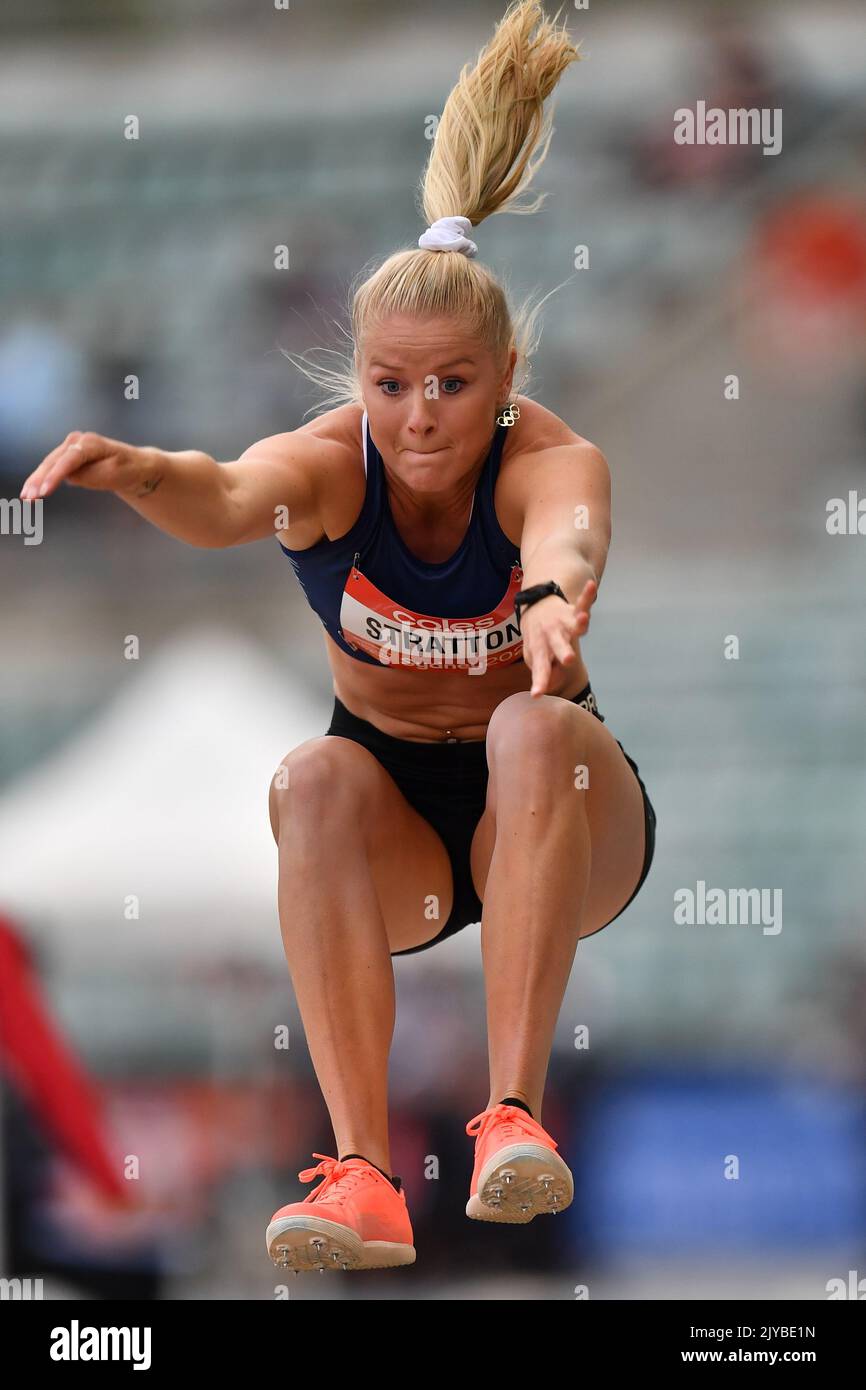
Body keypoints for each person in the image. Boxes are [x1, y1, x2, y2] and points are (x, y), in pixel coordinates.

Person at [21, 0, 656, 1274]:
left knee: (531, 726)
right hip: (401, 838)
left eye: (452, 385)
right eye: (389, 384)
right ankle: (362, 1171)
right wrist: (143, 467)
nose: (418, 417)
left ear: (506, 371)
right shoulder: (327, 468)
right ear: (355, 380)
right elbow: (221, 496)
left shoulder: (548, 458)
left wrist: (547, 599)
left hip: (559, 808)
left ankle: (510, 1119)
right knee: (306, 771)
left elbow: (567, 536)